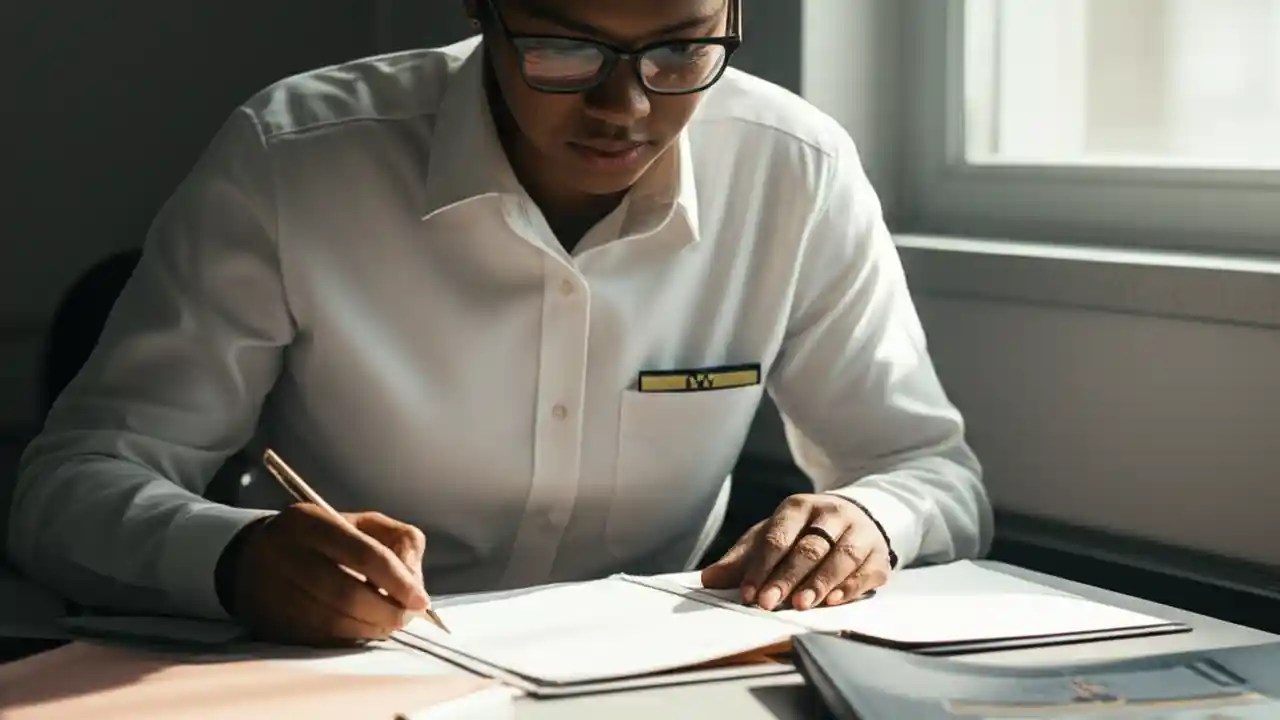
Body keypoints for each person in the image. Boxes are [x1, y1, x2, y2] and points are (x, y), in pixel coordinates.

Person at [7, 0, 992, 646]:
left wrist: (868, 518)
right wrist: (232, 558)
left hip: (644, 690)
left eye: (681, 48)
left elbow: (933, 476)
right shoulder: (293, 157)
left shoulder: (794, 169)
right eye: (566, 45)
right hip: (344, 677)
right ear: (484, 11)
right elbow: (65, 493)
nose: (626, 107)